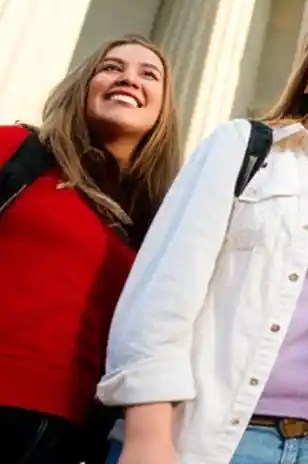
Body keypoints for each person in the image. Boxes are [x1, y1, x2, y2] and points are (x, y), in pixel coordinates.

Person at [99, 17, 308, 464]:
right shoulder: (244, 147)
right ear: (307, 79)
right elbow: (163, 286)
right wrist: (148, 433)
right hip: (213, 438)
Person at [0, 35, 179, 464]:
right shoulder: (13, 150)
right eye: (111, 67)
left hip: (72, 433)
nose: (128, 79)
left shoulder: (161, 218)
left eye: (148, 74)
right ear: (84, 84)